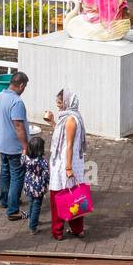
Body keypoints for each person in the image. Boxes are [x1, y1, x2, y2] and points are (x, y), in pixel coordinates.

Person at [44, 88, 88, 241]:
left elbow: (68, 145)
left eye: (60, 102)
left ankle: (58, 230)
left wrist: (68, 168)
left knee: (60, 196)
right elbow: (62, 136)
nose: (57, 105)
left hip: (65, 163)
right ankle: (77, 229)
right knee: (74, 196)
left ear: (67, 103)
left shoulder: (70, 120)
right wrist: (52, 122)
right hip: (69, 162)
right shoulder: (71, 116)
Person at [0, 72, 30, 220]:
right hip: (14, 147)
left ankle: (5, 200)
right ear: (20, 85)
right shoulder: (16, 102)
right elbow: (19, 126)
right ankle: (13, 210)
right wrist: (25, 146)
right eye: (24, 87)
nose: (24, 89)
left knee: (5, 172)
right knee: (17, 176)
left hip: (1, 143)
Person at [21, 135, 49, 234]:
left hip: (29, 185)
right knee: (37, 205)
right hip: (38, 187)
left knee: (31, 203)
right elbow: (46, 174)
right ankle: (33, 226)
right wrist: (47, 184)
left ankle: (31, 219)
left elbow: (21, 163)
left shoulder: (26, 158)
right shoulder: (42, 161)